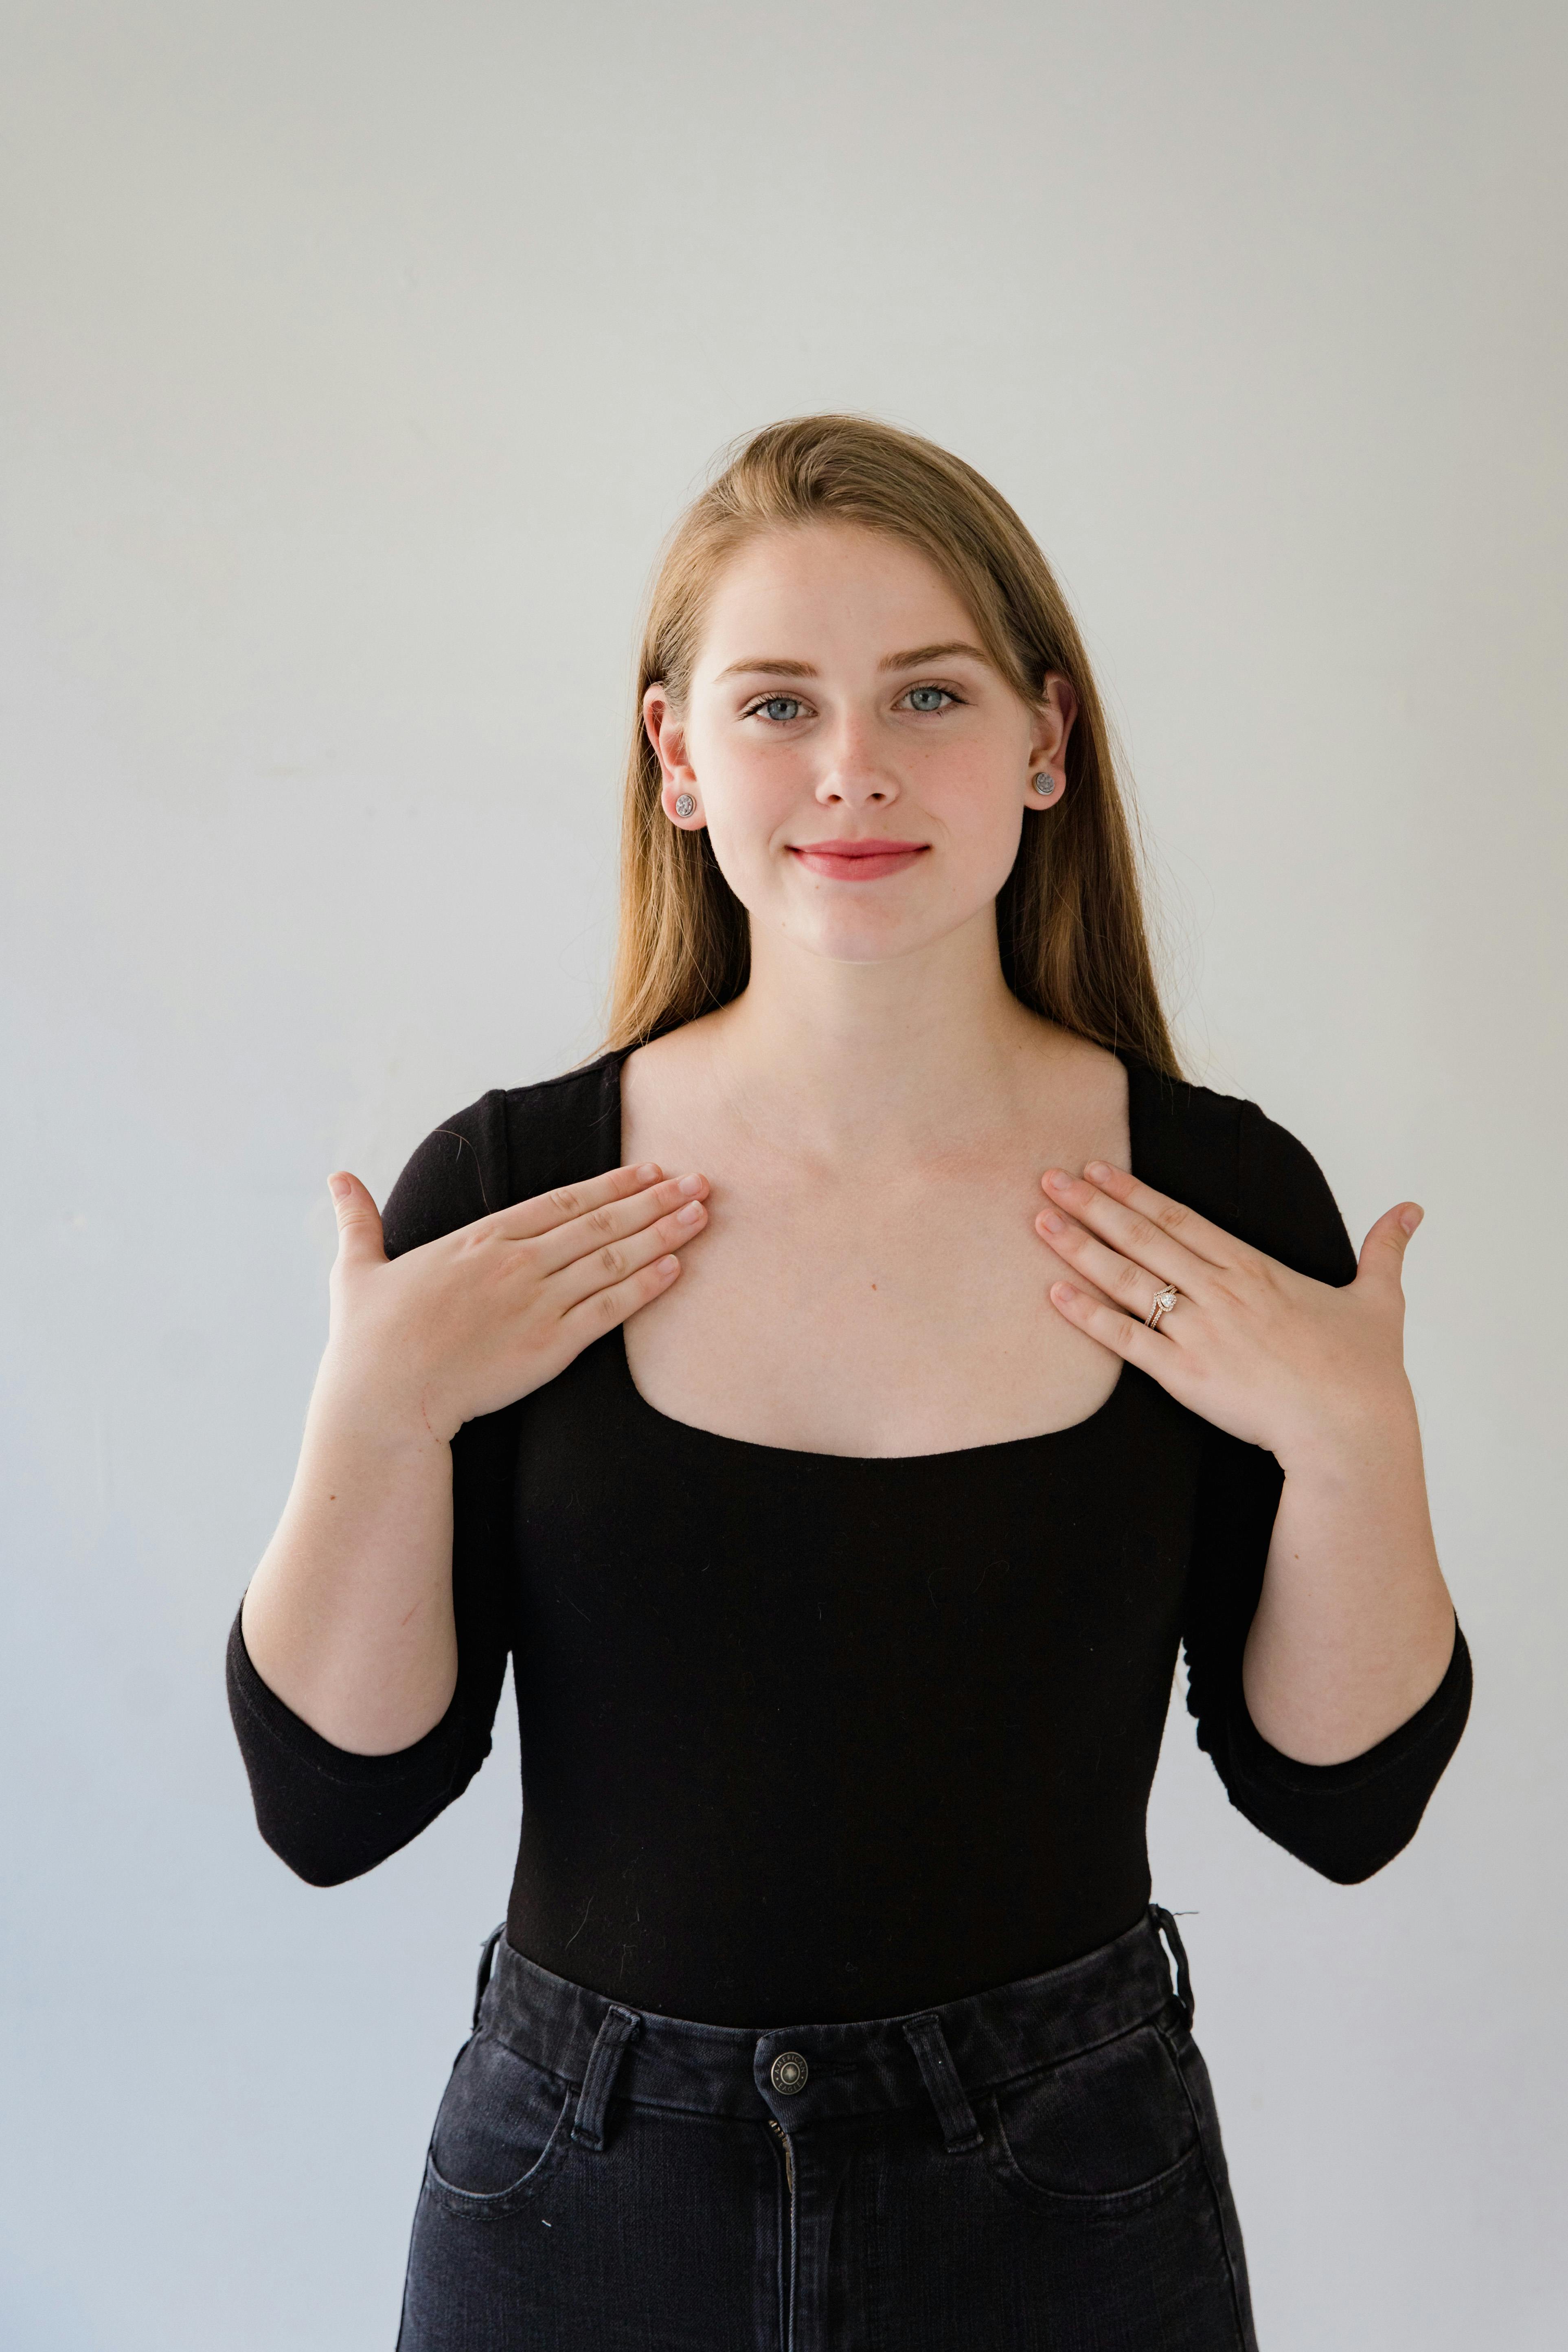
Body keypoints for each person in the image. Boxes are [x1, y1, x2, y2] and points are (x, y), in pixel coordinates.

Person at [228, 415, 1470, 2350]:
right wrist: (372, 1416)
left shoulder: (1217, 1201)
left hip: (1067, 2206)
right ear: (678, 757)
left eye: (930, 694)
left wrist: (1352, 1433)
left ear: (1046, 743)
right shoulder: (513, 1194)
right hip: (587, 2207)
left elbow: (1344, 1798)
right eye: (780, 701)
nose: (856, 767)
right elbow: (331, 1802)